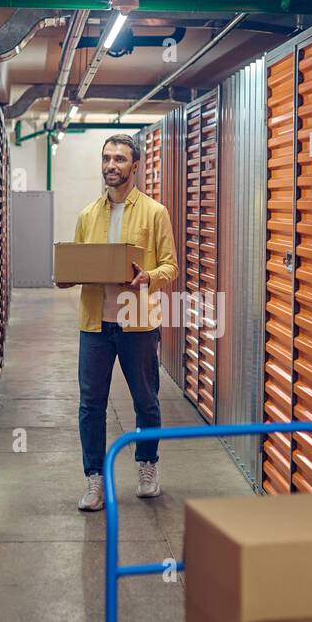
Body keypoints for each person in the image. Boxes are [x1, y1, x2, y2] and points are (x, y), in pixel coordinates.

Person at [57, 133, 178, 511]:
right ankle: (94, 479)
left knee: (146, 400)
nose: (112, 165)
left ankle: (147, 466)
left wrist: (149, 278)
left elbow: (170, 266)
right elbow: (75, 265)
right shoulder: (87, 215)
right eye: (107, 158)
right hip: (95, 325)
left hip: (138, 322)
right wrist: (66, 276)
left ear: (135, 166)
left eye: (120, 159)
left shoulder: (155, 213)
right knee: (91, 403)